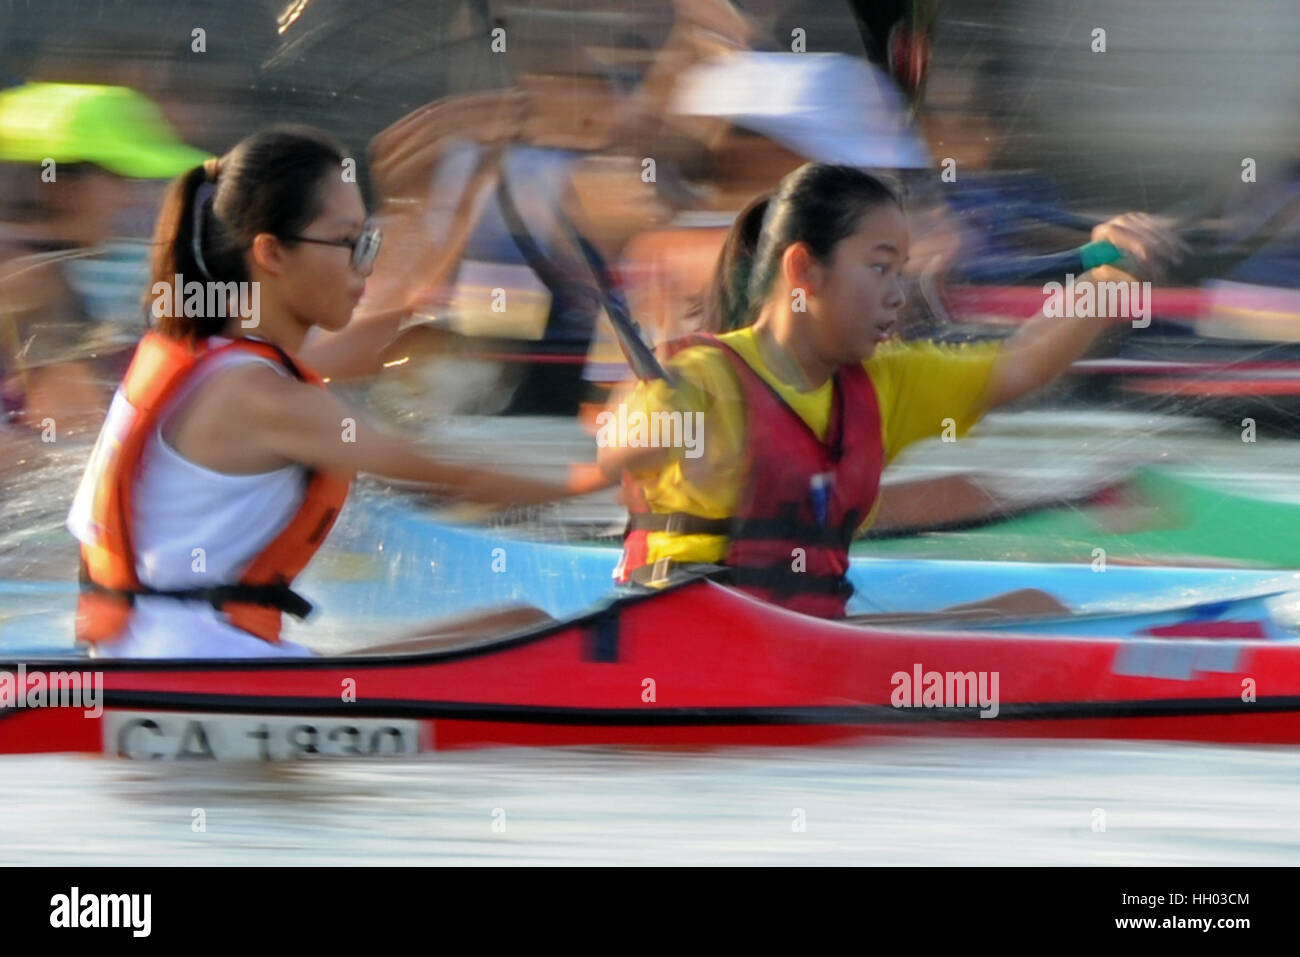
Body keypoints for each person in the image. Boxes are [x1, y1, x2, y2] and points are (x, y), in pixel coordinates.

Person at [68, 126, 595, 659]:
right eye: (350, 244)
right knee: (531, 633)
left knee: (520, 623)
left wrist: (453, 229)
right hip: (209, 668)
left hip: (155, 653)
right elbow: (458, 481)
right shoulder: (264, 398)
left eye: (370, 243)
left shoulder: (211, 356)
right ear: (271, 252)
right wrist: (606, 476)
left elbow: (353, 345)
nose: (364, 267)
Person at [596, 162, 1180, 618]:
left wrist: (1114, 278)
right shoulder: (703, 375)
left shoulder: (885, 383)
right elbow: (614, 453)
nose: (899, 296)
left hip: (809, 642)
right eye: (880, 269)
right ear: (803, 271)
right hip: (680, 633)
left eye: (902, 271)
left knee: (1033, 605)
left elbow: (1023, 363)